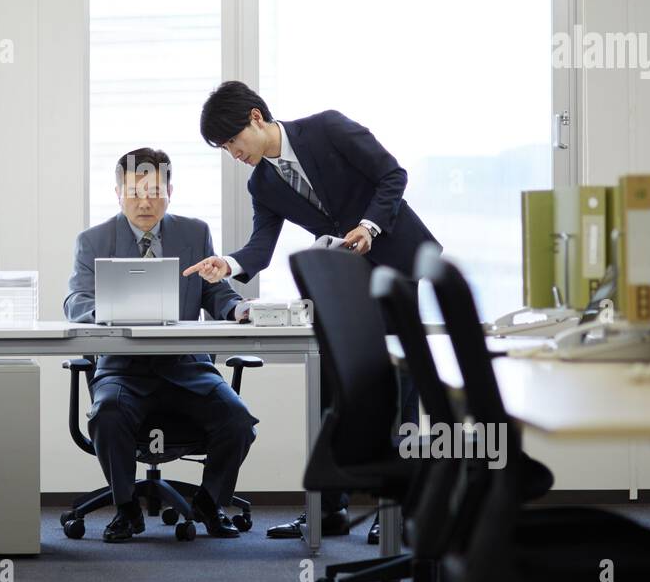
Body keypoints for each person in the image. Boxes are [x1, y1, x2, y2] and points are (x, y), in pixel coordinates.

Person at [185, 82, 441, 542]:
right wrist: (229, 263)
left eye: (232, 142)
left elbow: (392, 176)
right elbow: (262, 247)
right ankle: (328, 510)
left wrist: (368, 225)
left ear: (256, 118)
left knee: (399, 383)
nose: (233, 154)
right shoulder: (262, 182)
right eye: (224, 149)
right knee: (328, 388)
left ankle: (398, 509)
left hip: (396, 261)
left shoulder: (327, 128)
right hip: (342, 280)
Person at [64, 147, 258, 542]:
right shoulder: (93, 240)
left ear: (171, 190)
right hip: (123, 370)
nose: (146, 201)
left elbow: (216, 294)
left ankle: (209, 503)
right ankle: (126, 507)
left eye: (155, 190)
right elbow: (76, 302)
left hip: (187, 367)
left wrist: (238, 309)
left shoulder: (194, 233)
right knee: (108, 415)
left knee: (237, 420)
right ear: (118, 193)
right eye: (135, 192)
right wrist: (112, 312)